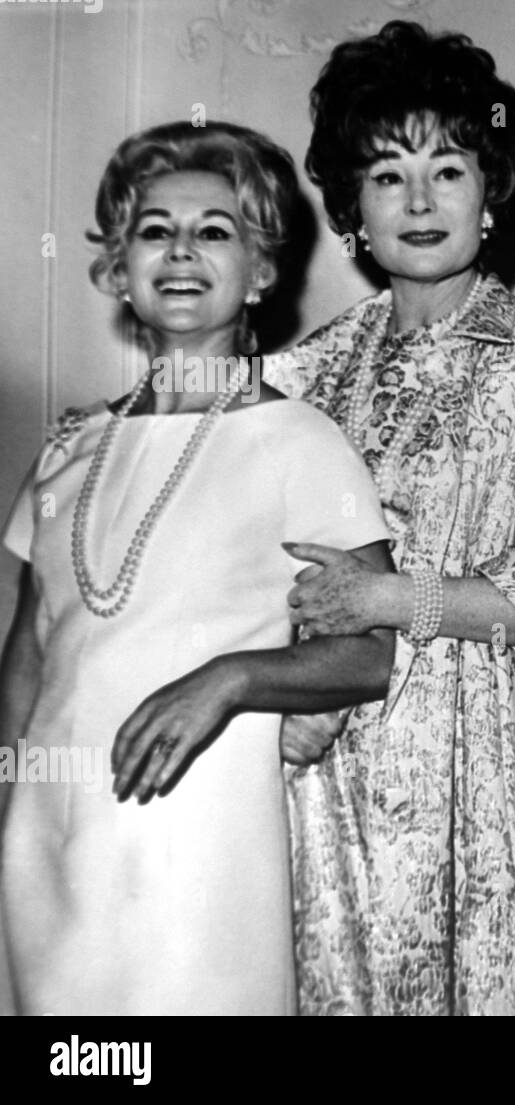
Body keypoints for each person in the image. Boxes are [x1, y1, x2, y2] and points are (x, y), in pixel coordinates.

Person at [259, 22, 515, 1015]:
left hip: (496, 797)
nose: (419, 201)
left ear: (492, 188)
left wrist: (388, 595)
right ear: (352, 207)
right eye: (387, 175)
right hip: (331, 781)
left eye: (447, 168)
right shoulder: (302, 376)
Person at [0, 121, 394, 1015]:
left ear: (260, 272)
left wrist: (230, 678)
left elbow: (372, 650)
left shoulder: (299, 440)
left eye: (214, 230)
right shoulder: (70, 448)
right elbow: (29, 650)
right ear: (116, 269)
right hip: (48, 845)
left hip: (197, 842)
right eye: (153, 230)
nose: (180, 251)